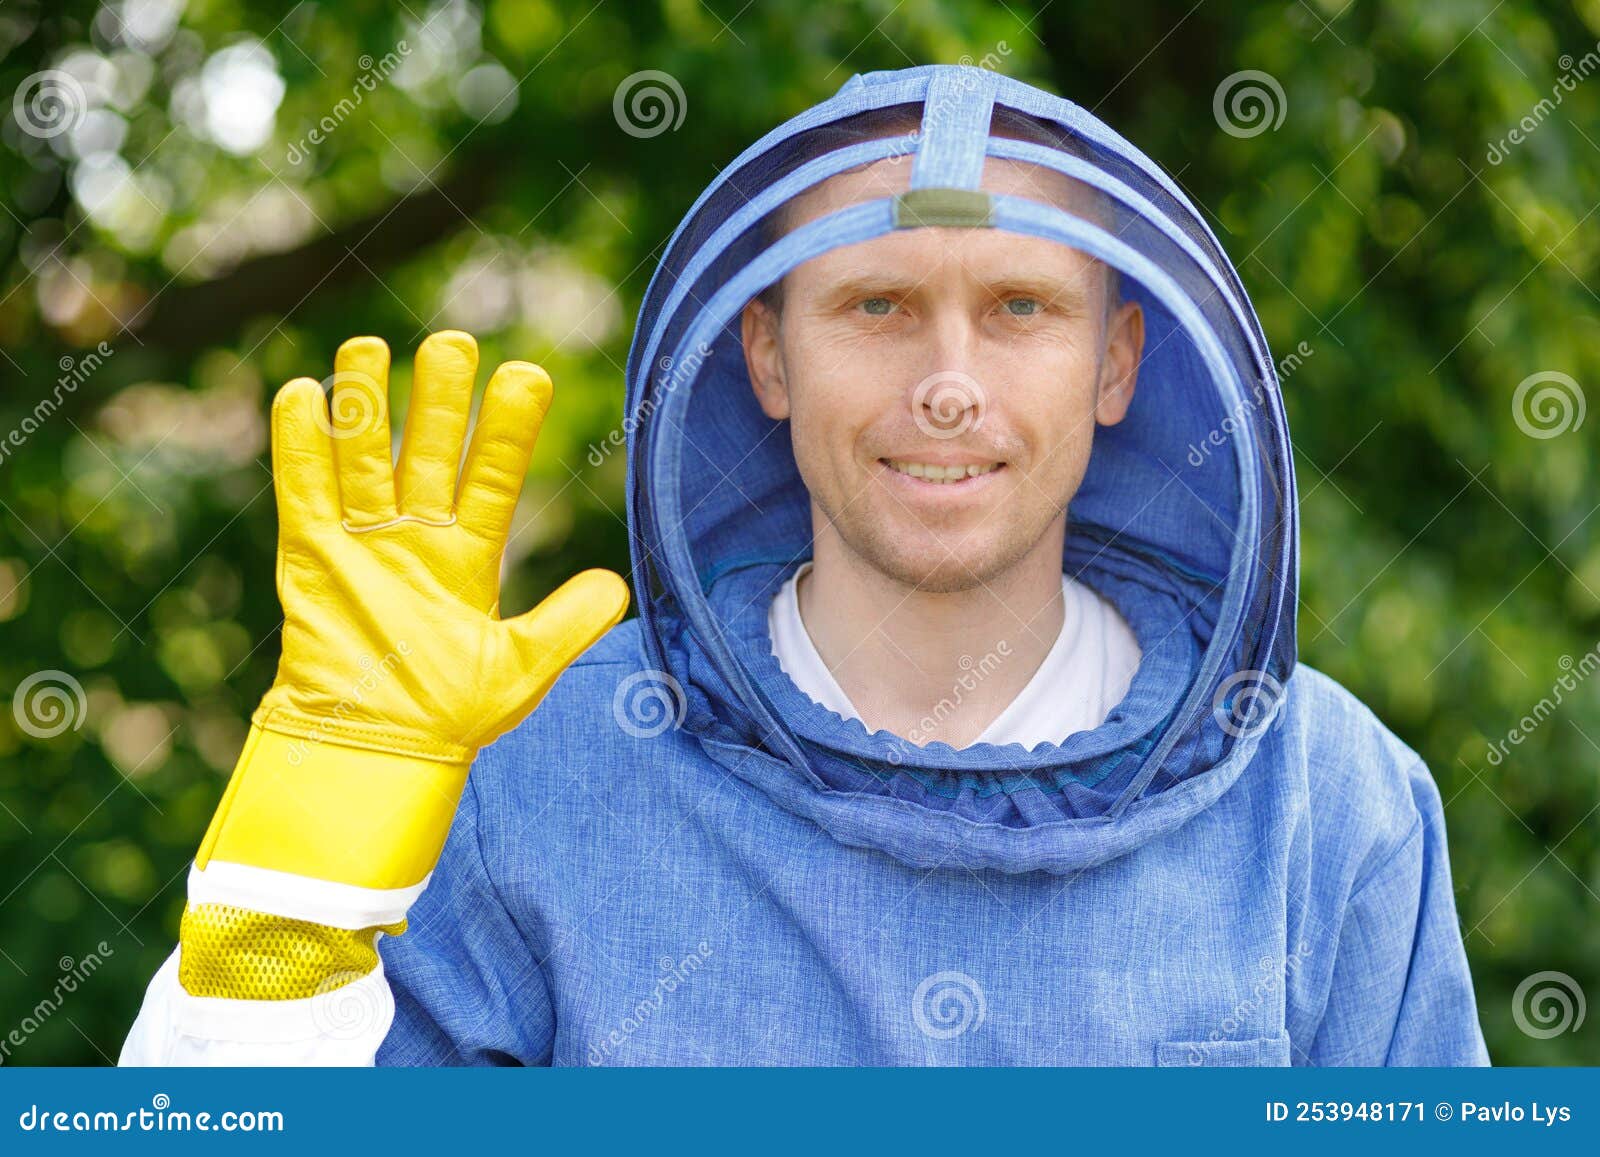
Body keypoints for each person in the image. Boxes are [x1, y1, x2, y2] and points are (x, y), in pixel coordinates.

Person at [122, 63, 1488, 1066]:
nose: (949, 385)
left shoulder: (1326, 802)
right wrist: (283, 918)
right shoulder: (530, 772)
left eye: (1018, 308)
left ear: (1118, 359)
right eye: (876, 305)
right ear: (767, 353)